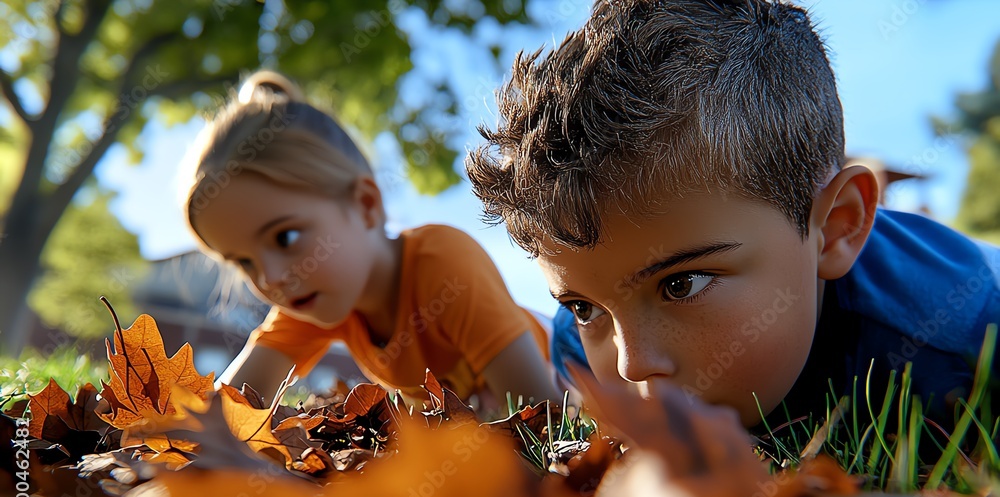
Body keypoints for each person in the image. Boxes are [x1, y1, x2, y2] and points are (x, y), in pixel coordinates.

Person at [465, 0, 1000, 431]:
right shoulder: (575, 354)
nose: (630, 366)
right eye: (584, 308)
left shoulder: (967, 342)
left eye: (682, 283)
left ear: (836, 226)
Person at [180, 70, 560, 409]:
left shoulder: (444, 264)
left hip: (571, 364)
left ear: (365, 205)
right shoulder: (315, 297)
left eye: (286, 237)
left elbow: (543, 411)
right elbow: (229, 406)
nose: (270, 278)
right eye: (244, 261)